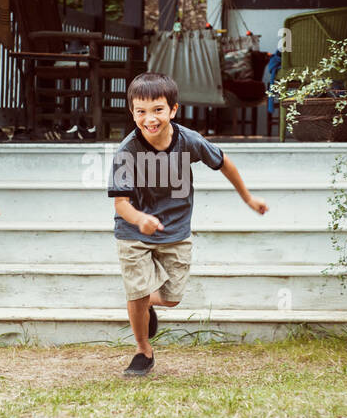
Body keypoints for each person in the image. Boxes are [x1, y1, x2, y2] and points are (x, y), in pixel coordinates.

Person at [108, 71, 268, 376]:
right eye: (140, 112)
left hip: (175, 231)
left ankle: (145, 305)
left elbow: (224, 162)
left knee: (172, 297)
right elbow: (120, 204)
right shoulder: (126, 151)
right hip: (133, 231)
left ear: (173, 110)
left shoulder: (188, 140)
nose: (149, 119)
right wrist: (140, 218)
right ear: (132, 113)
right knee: (136, 291)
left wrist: (247, 198)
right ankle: (143, 350)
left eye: (157, 110)